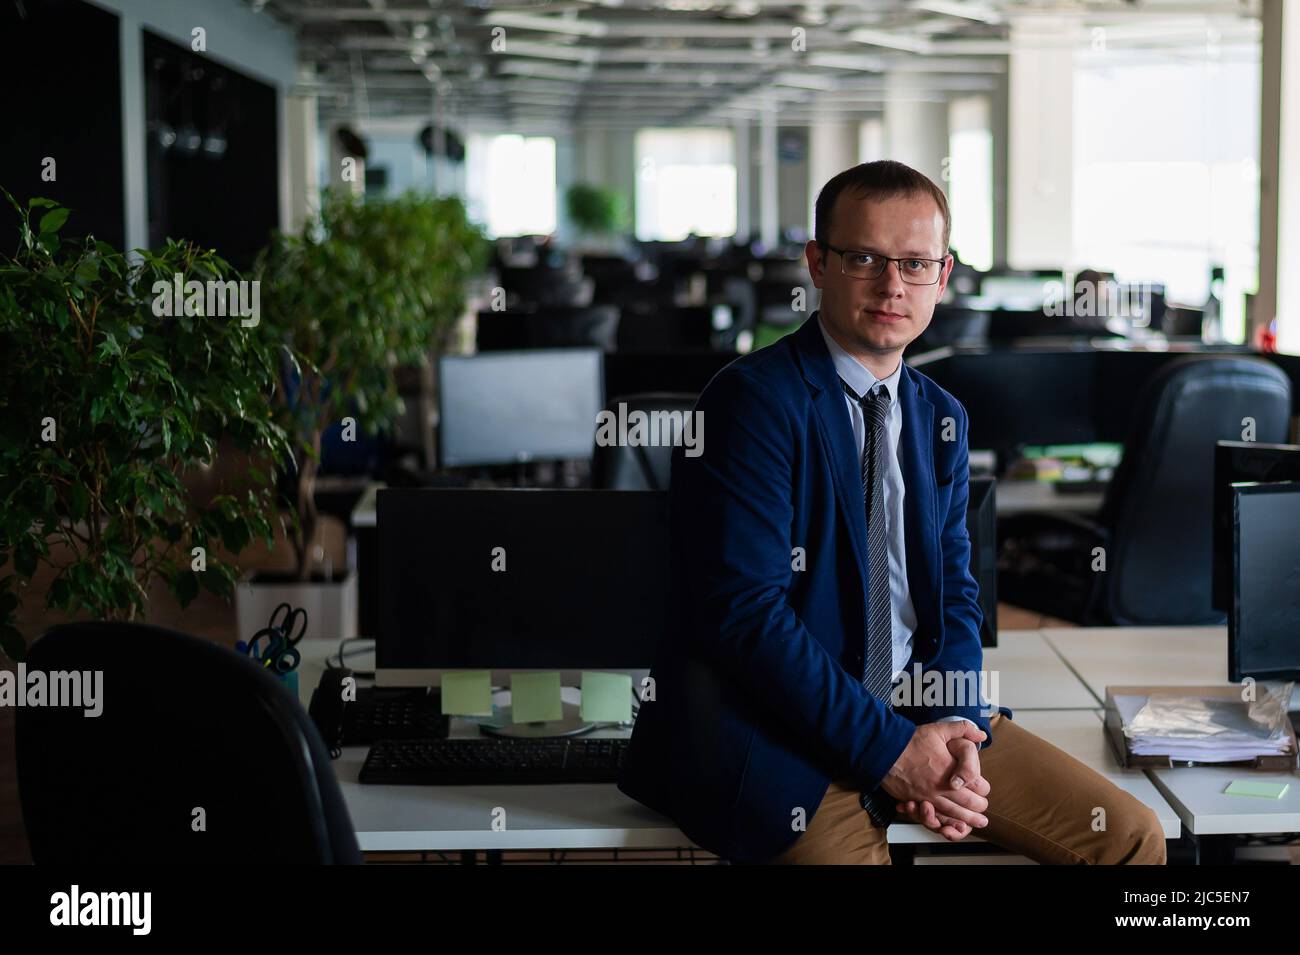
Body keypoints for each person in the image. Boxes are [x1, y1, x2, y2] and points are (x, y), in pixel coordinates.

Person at [617, 160, 1166, 865]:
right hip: (784, 730)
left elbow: (959, 594)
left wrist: (958, 725)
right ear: (818, 262)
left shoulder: (942, 416)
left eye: (915, 263)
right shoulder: (751, 402)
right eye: (865, 258)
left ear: (944, 276)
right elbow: (745, 615)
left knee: (1131, 837)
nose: (892, 284)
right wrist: (890, 750)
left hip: (922, 710)